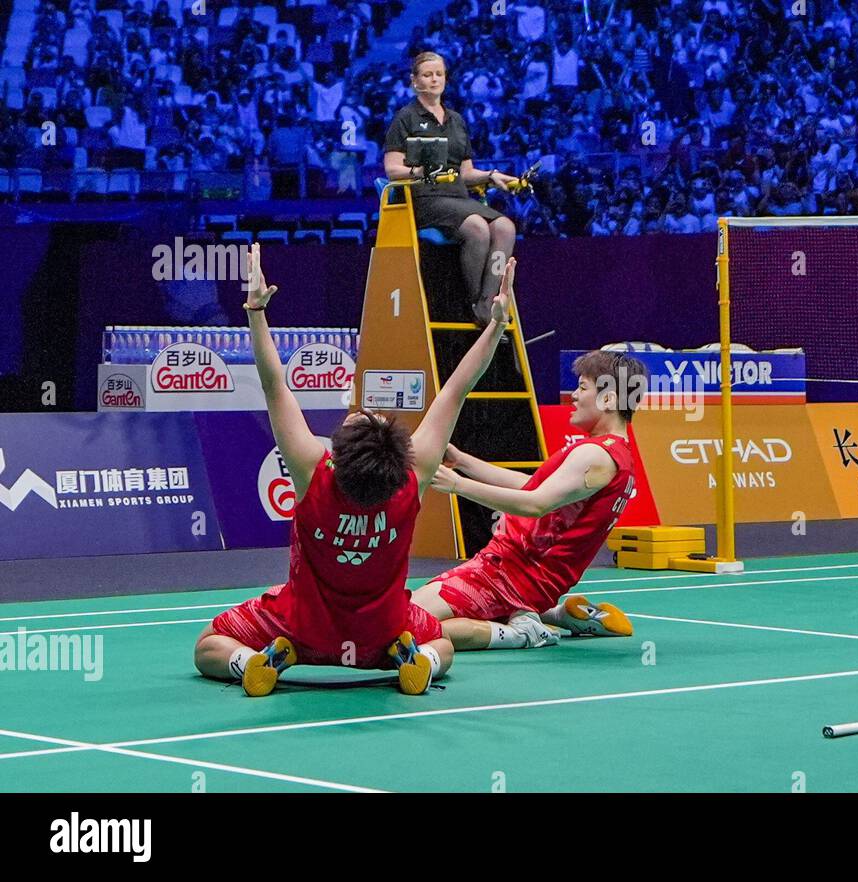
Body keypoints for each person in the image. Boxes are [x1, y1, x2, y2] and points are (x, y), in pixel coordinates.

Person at [194, 245, 517, 696]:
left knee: (209, 647)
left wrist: (255, 311)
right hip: (383, 632)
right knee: (441, 645)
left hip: (298, 626)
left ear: (339, 450)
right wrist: (497, 324)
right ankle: (415, 661)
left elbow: (274, 386)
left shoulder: (314, 474)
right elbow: (456, 390)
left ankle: (255, 662)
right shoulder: (412, 478)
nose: (360, 410)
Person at [410, 351, 650, 651]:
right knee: (410, 614)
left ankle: (522, 633)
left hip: (510, 576)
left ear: (609, 400)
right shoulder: (617, 454)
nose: (574, 396)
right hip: (518, 574)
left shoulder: (596, 456)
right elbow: (531, 486)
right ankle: (553, 614)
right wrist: (462, 461)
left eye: (583, 387)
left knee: (407, 623)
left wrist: (458, 485)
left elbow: (535, 503)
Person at [383, 52, 521, 326]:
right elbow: (392, 169)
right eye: (427, 75)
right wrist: (421, 171)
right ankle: (471, 303)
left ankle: (488, 300)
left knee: (505, 227)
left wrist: (492, 176)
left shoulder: (456, 120)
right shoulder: (406, 118)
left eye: (439, 74)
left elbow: (466, 172)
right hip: (424, 198)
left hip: (458, 197)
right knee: (478, 228)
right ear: (415, 81)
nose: (434, 80)